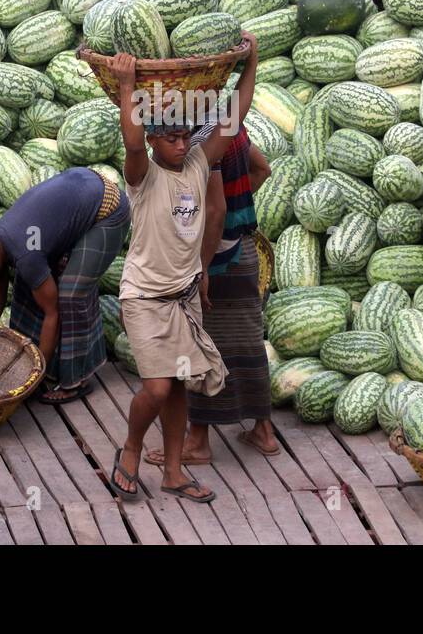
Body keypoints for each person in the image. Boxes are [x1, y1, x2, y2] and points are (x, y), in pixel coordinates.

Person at [108, 33, 259, 506]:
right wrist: (128, 85)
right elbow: (131, 142)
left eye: (183, 137)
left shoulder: (197, 164)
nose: (178, 145)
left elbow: (236, 116)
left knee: (177, 388)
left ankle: (173, 472)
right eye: (168, 138)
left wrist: (250, 63)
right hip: (146, 299)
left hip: (185, 297)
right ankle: (131, 449)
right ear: (153, 139)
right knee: (156, 387)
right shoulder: (143, 176)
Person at [144, 121, 276, 466]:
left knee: (201, 346)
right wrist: (239, 214)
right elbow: (262, 168)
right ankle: (264, 430)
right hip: (244, 250)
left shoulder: (200, 140)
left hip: (215, 261)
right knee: (248, 341)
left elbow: (214, 210)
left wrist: (201, 265)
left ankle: (198, 442)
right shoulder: (231, 125)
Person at [0, 168, 130, 404]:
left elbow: (51, 313)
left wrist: (34, 377)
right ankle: (46, 366)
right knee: (28, 286)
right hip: (79, 190)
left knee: (70, 296)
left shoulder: (24, 254)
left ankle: (76, 381)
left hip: (108, 209)